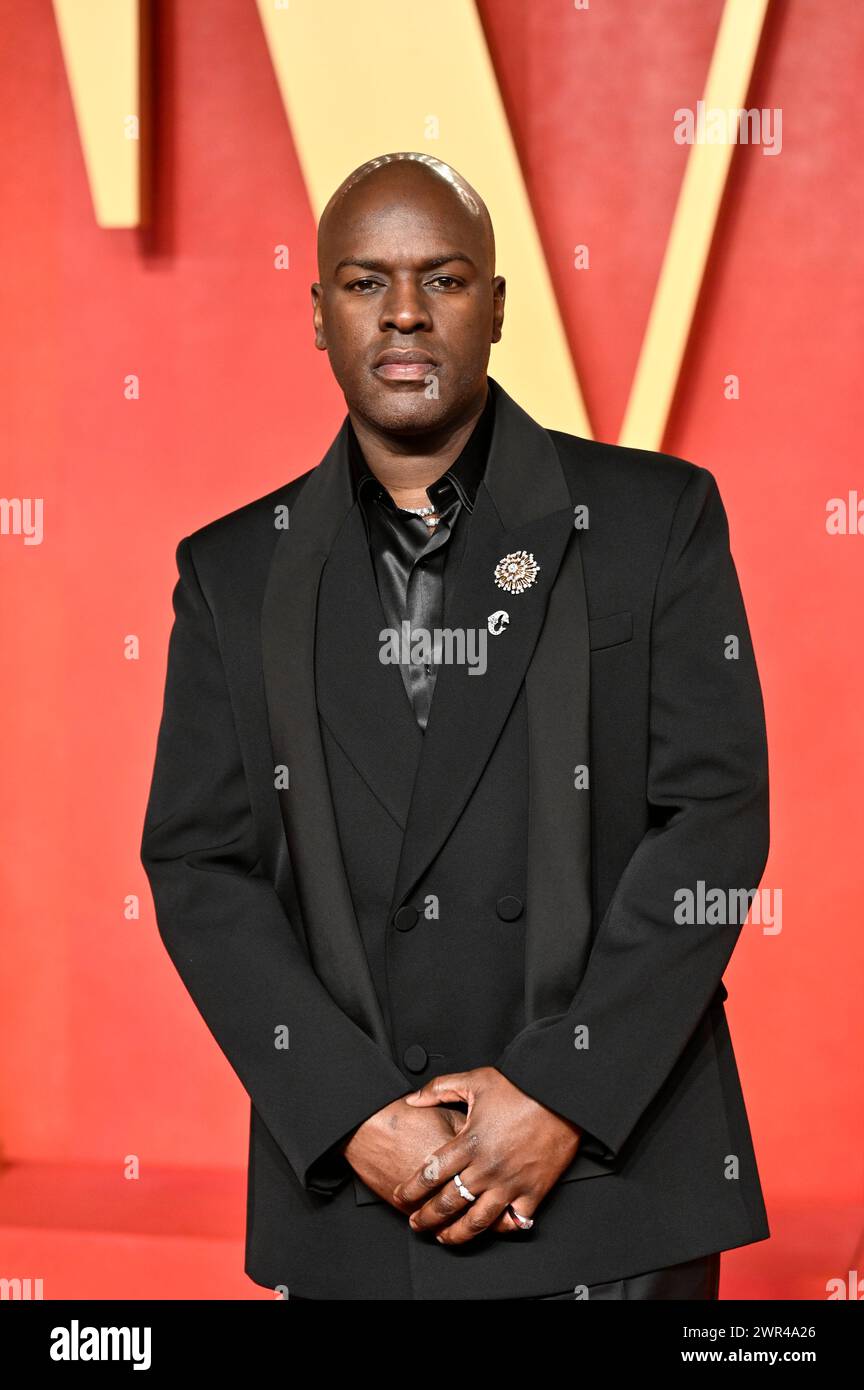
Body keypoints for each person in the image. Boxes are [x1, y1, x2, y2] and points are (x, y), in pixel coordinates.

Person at [140, 152, 770, 1301]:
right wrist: (348, 1111)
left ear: (494, 305)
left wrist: (564, 1092)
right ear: (318, 312)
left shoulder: (650, 518)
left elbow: (714, 823)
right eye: (364, 281)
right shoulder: (232, 573)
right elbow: (196, 863)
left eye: (441, 277)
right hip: (359, 1197)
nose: (405, 314)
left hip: (611, 1182)